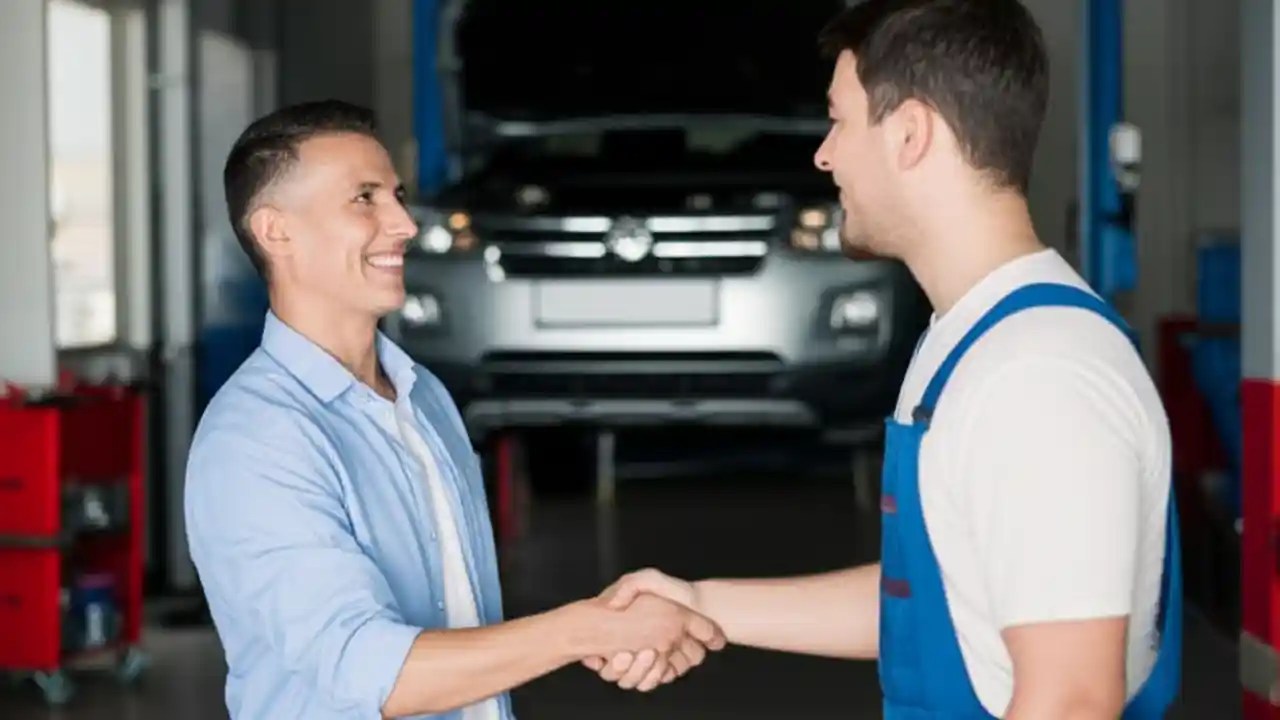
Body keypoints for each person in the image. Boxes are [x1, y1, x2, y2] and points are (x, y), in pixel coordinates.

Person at [587, 1, 1183, 717]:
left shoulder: (1037, 376)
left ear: (909, 134)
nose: (824, 154)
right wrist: (702, 605)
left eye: (838, 120)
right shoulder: (971, 343)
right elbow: (940, 600)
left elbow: (1071, 701)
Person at [183, 99, 725, 720]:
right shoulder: (256, 438)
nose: (404, 224)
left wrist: (605, 630)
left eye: (397, 195)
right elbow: (370, 673)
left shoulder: (424, 396)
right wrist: (588, 630)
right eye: (364, 199)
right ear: (276, 231)